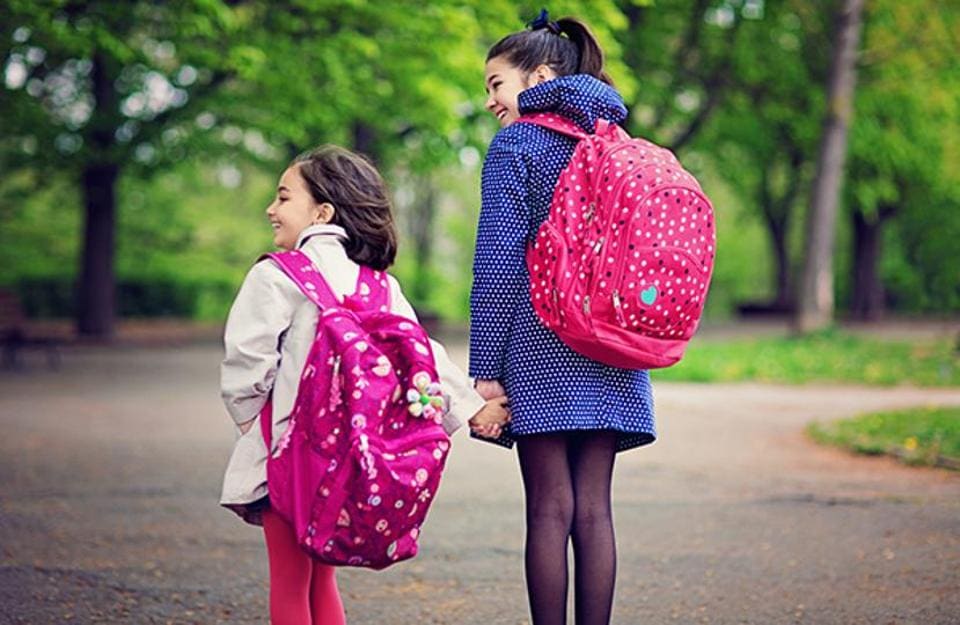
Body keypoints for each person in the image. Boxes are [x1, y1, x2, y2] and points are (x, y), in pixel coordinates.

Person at [219, 144, 510, 625]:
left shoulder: (277, 275)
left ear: (322, 211)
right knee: (322, 580)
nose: (272, 209)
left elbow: (246, 362)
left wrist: (251, 425)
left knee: (289, 582)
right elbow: (424, 353)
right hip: (348, 459)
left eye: (284, 197)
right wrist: (474, 409)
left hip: (287, 453)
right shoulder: (377, 284)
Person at [470, 11, 657, 625]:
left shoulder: (516, 145)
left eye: (497, 82)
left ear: (541, 75)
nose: (491, 98)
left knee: (549, 508)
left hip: (542, 344)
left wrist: (488, 370)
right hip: (614, 344)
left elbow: (497, 263)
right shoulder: (615, 140)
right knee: (596, 510)